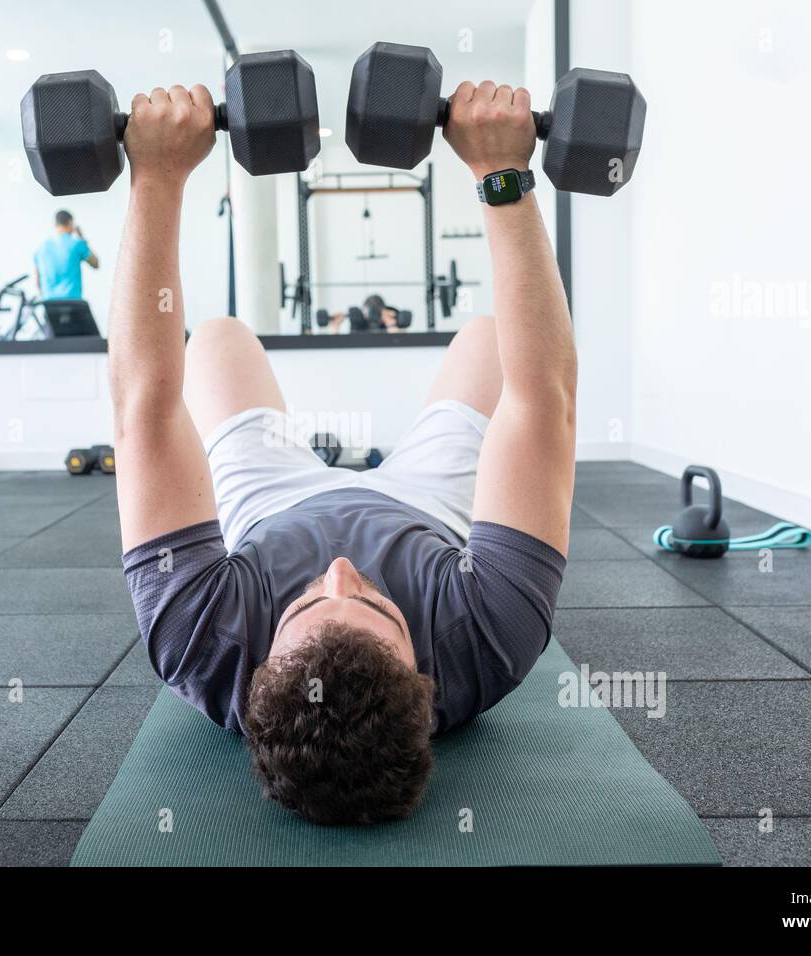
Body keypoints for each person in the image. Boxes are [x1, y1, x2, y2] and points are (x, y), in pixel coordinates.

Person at [111, 79, 573, 825]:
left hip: (269, 508)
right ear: (426, 672)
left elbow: (145, 407)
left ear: (257, 670)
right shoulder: (488, 638)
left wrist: (157, 175)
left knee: (222, 339)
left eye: (304, 606)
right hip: (426, 508)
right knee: (490, 340)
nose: (337, 572)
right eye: (375, 606)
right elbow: (542, 399)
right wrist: (502, 175)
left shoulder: (201, 638)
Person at [33, 209, 99, 299]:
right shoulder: (77, 244)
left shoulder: (41, 248)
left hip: (49, 302)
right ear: (70, 222)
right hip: (72, 302)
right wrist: (82, 238)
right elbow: (95, 264)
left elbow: (37, 282)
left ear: (55, 224)